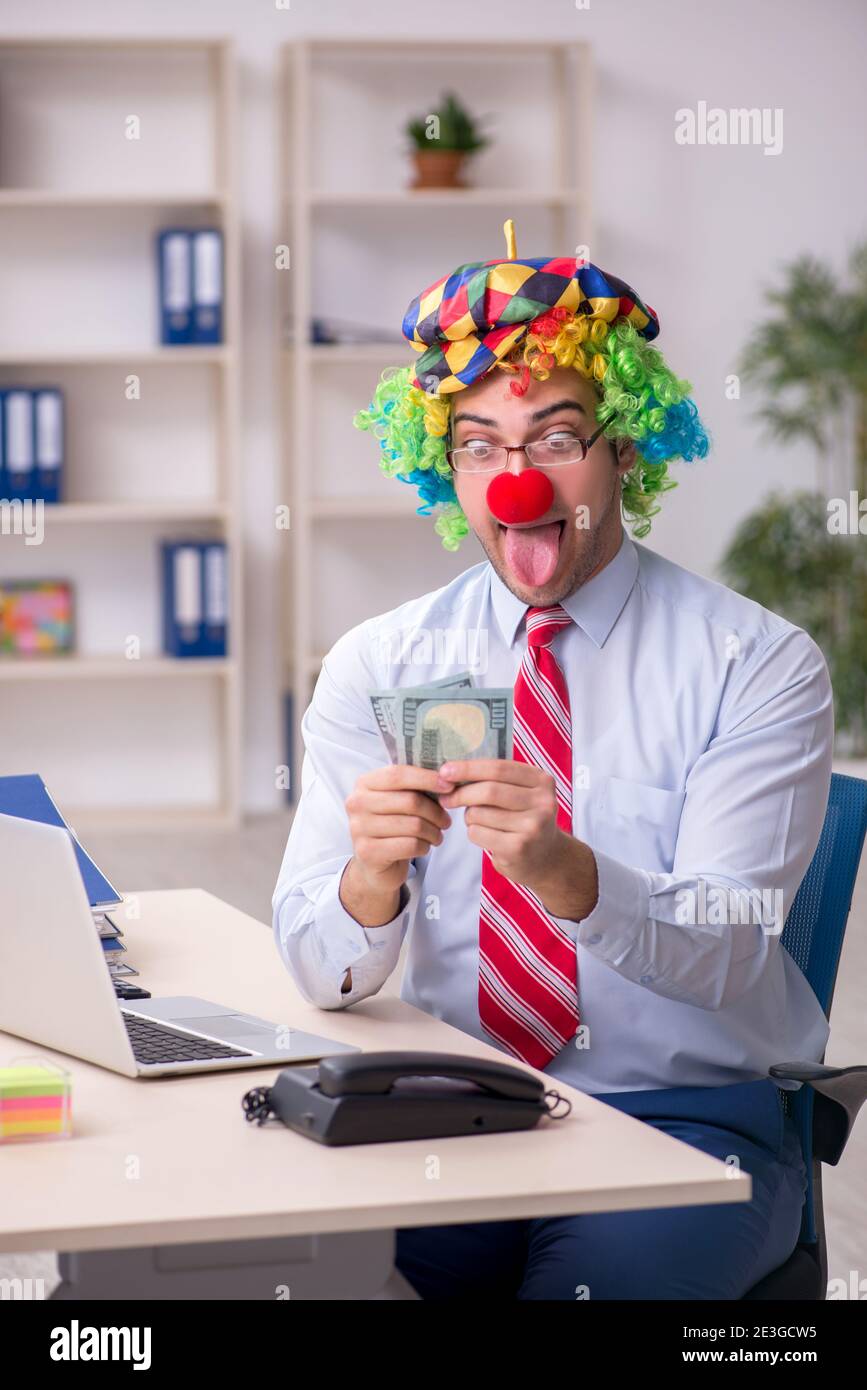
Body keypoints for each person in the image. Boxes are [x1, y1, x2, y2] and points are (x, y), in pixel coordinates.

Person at [272, 221, 832, 1299]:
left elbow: (728, 955)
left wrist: (573, 877)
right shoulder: (376, 664)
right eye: (480, 444)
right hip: (450, 1103)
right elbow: (315, 965)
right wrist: (368, 884)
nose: (516, 483)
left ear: (624, 446)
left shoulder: (756, 663)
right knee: (295, 1274)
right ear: (445, 466)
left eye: (556, 438)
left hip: (683, 1115)